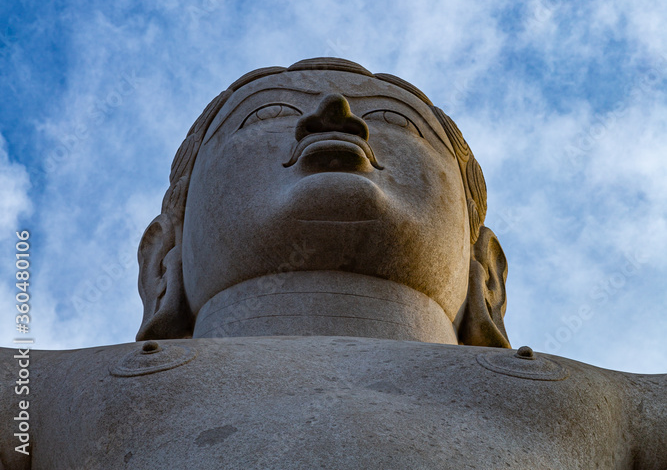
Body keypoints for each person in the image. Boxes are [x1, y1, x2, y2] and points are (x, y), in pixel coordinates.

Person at [1, 57, 664, 468]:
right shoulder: (43, 390)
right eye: (265, 114)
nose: (333, 114)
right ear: (162, 260)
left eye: (395, 121)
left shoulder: (618, 405)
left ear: (484, 269)